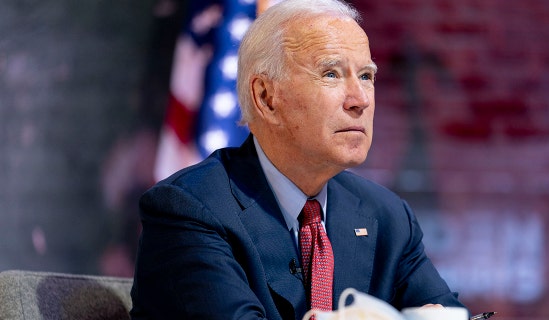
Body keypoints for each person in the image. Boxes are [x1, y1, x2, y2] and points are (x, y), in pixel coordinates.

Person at [129, 0, 466, 319]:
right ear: (266, 97)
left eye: (366, 76)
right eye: (332, 74)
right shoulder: (190, 210)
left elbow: (447, 312)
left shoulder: (388, 217)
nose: (360, 100)